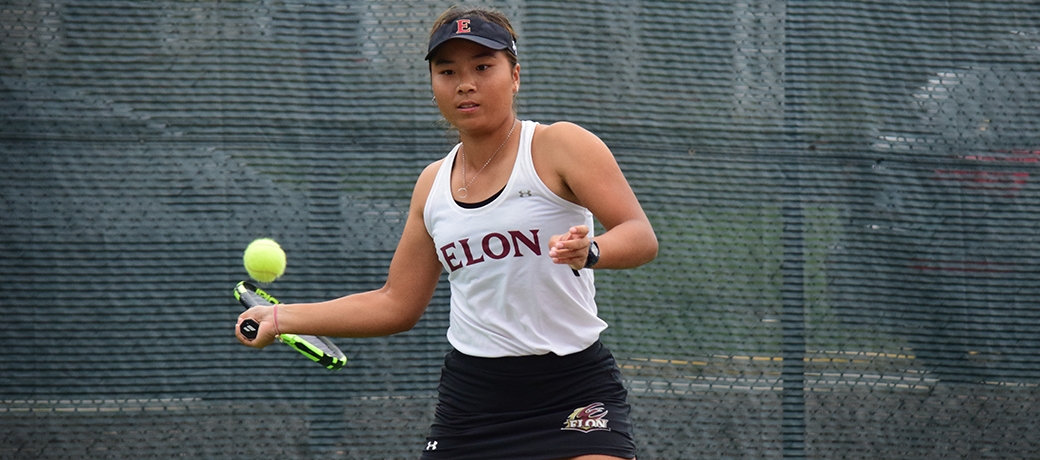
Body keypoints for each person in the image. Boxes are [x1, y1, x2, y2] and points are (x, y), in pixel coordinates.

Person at [236, 6, 657, 459]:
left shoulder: (560, 145)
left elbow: (639, 235)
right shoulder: (431, 185)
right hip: (473, 403)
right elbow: (396, 303)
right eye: (447, 71)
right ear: (434, 84)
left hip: (573, 390)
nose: (465, 83)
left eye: (483, 66)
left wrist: (592, 250)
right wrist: (280, 319)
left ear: (515, 76)